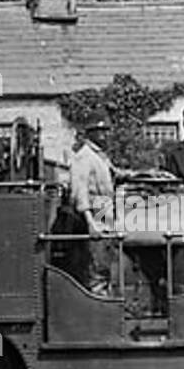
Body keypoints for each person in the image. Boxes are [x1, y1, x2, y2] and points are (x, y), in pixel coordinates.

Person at [68, 115, 118, 295]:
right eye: (100, 131)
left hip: (104, 211)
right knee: (96, 266)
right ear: (90, 134)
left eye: (106, 131)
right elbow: (79, 193)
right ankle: (99, 304)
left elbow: (114, 175)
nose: (105, 135)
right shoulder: (83, 157)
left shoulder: (99, 155)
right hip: (94, 215)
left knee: (106, 263)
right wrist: (91, 223)